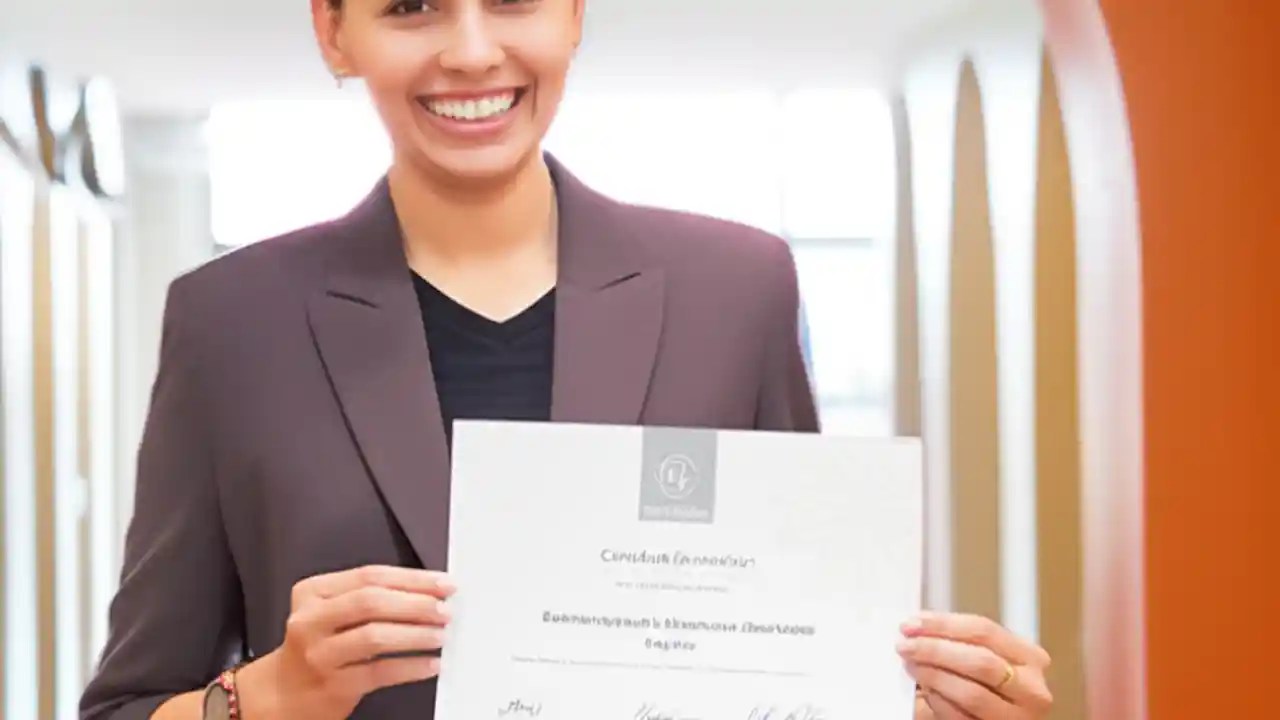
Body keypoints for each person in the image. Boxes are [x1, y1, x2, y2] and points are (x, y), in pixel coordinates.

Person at [79, 1, 1054, 718]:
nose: (470, 50)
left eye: (512, 1)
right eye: (409, 9)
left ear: (575, 12)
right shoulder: (230, 322)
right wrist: (272, 695)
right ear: (333, 31)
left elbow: (788, 665)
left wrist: (927, 701)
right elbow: (125, 706)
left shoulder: (737, 290)